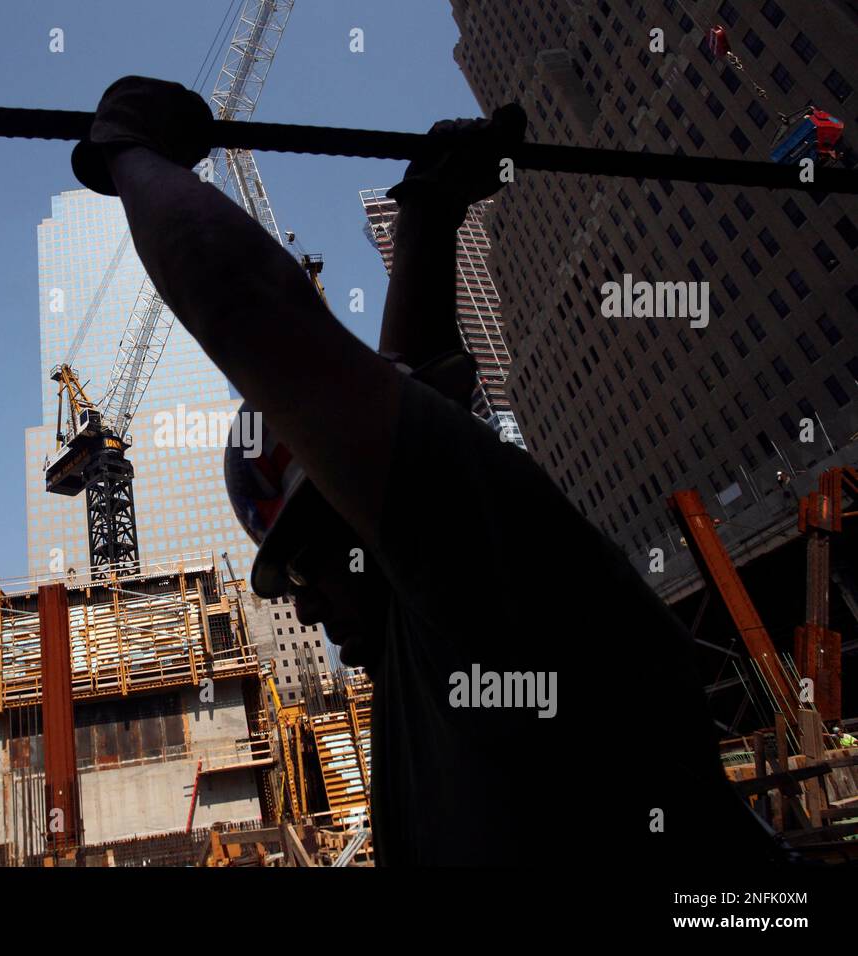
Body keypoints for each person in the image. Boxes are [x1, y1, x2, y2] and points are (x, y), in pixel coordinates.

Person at [72, 76, 782, 865]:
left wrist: (129, 150)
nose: (306, 609)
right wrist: (428, 216)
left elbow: (253, 309)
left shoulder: (486, 569)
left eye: (309, 565)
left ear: (363, 508)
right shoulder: (436, 633)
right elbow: (413, 375)